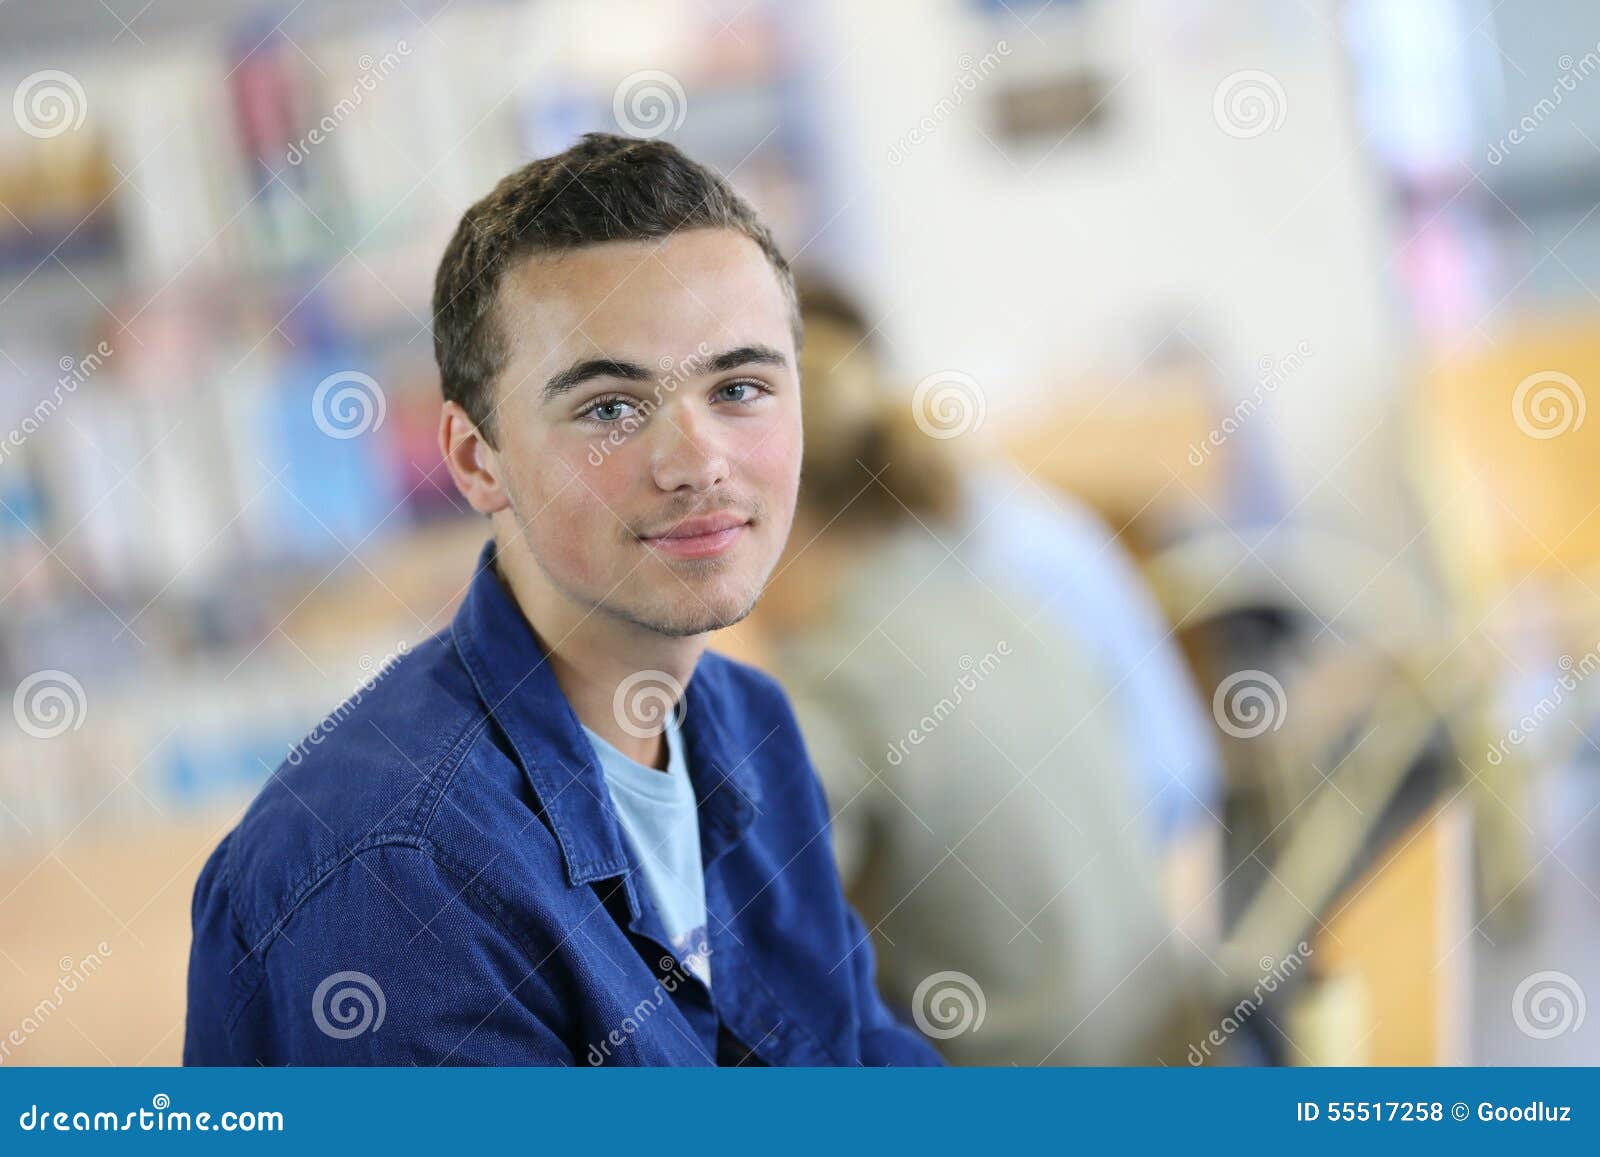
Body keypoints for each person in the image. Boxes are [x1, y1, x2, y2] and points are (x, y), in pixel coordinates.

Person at [183, 133, 941, 1067]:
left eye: (739, 387)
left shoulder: (750, 728)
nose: (698, 462)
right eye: (610, 407)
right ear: (475, 459)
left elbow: (868, 1061)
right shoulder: (393, 871)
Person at [756, 278, 1209, 1065]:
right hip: (1168, 1048)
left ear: (774, 510)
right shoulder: (1008, 604)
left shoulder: (846, 675)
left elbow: (747, 935)